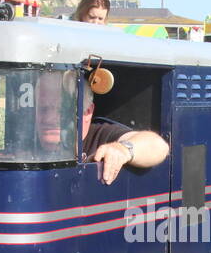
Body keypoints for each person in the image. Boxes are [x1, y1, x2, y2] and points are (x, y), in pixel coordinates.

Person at [35, 70, 168, 184]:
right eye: (43, 109)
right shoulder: (23, 142)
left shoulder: (102, 136)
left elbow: (158, 146)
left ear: (87, 112)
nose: (49, 119)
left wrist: (121, 150)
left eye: (61, 110)